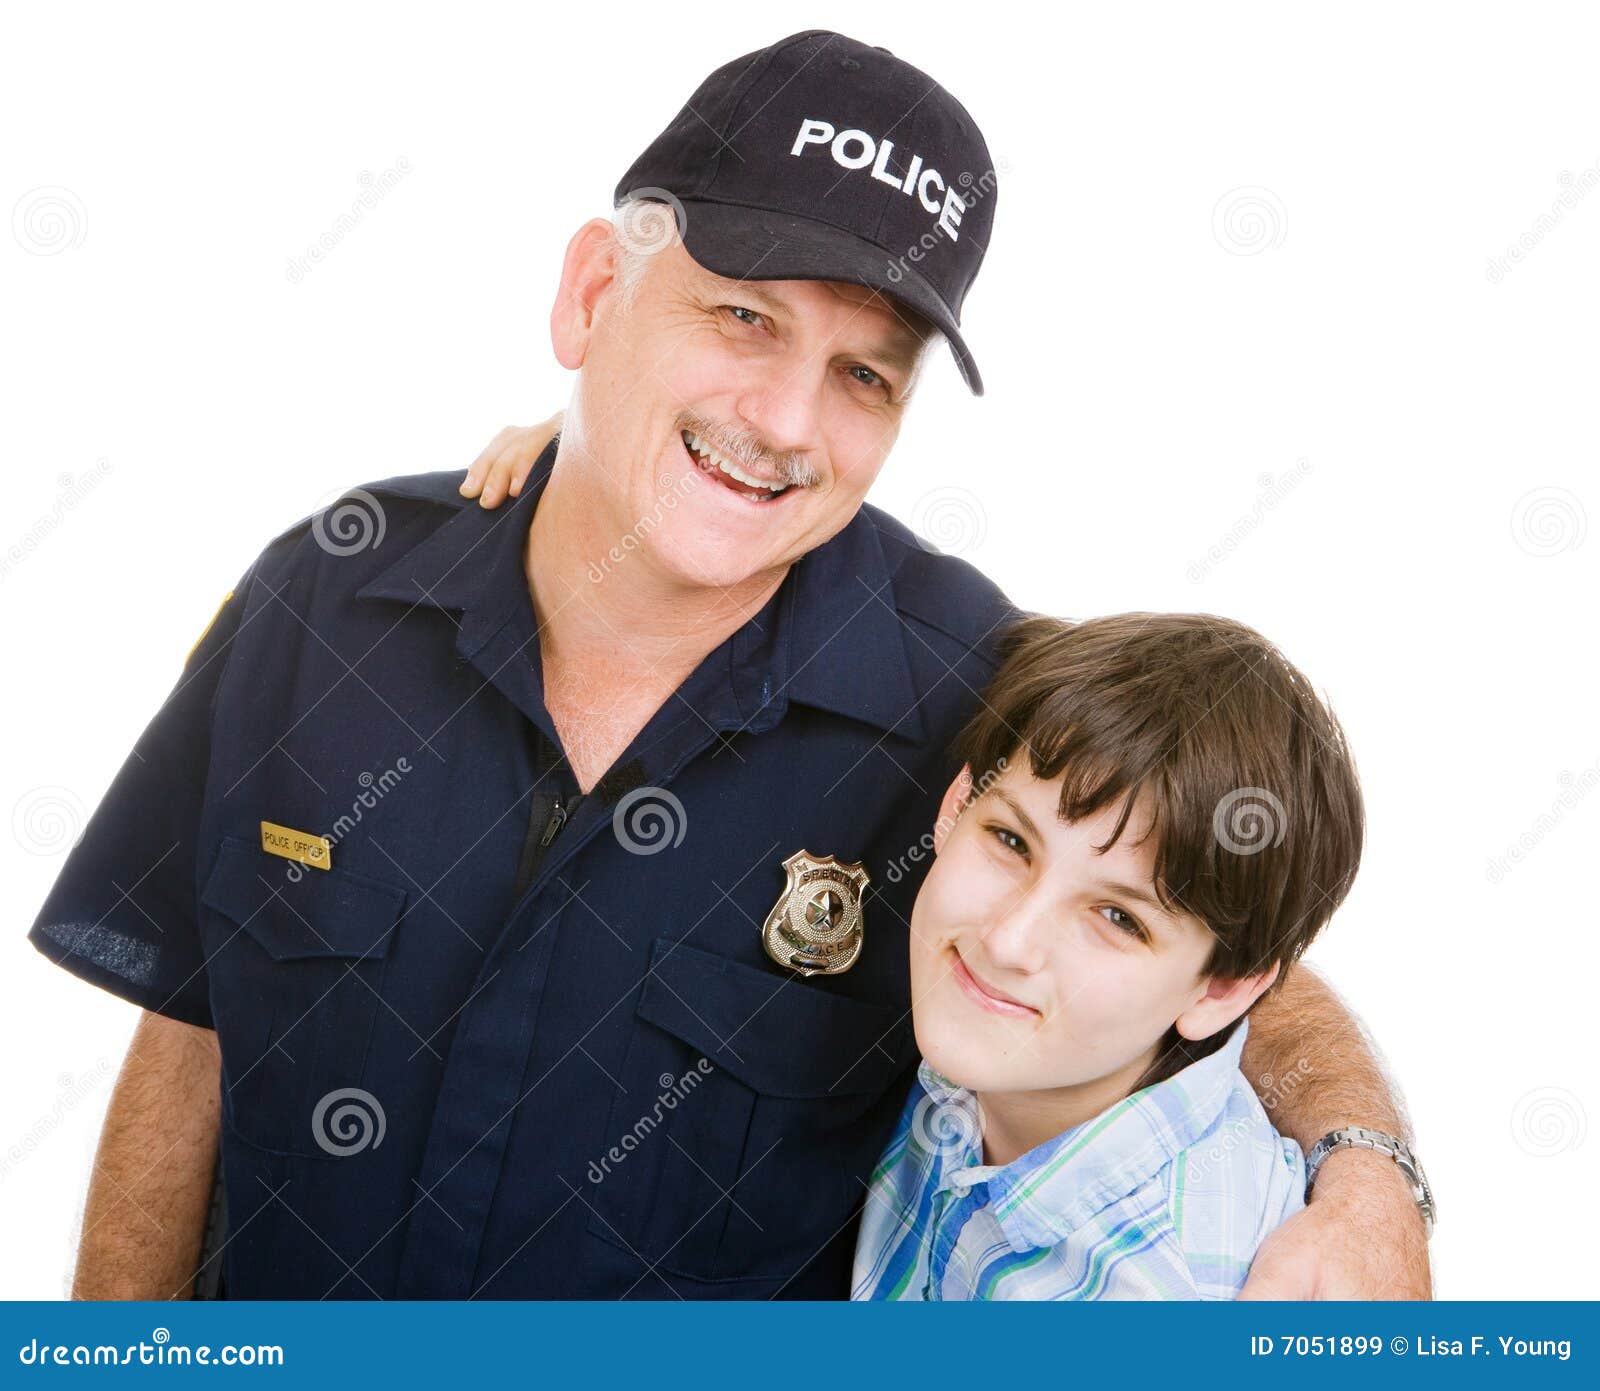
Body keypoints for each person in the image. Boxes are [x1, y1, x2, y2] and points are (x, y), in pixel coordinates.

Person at [28, 30, 1430, 1300]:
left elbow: (1191, 929)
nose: (782, 420)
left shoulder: (966, 697)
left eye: (864, 374)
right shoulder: (323, 603)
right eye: (742, 317)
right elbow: (195, 1032)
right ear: (594, 294)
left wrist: (1368, 1175)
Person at [851, 611, 1369, 1298]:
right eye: (1010, 840)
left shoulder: (1167, 1291)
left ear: (1221, 990)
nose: (1007, 940)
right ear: (956, 805)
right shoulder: (996, 1065)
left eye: (1118, 917)